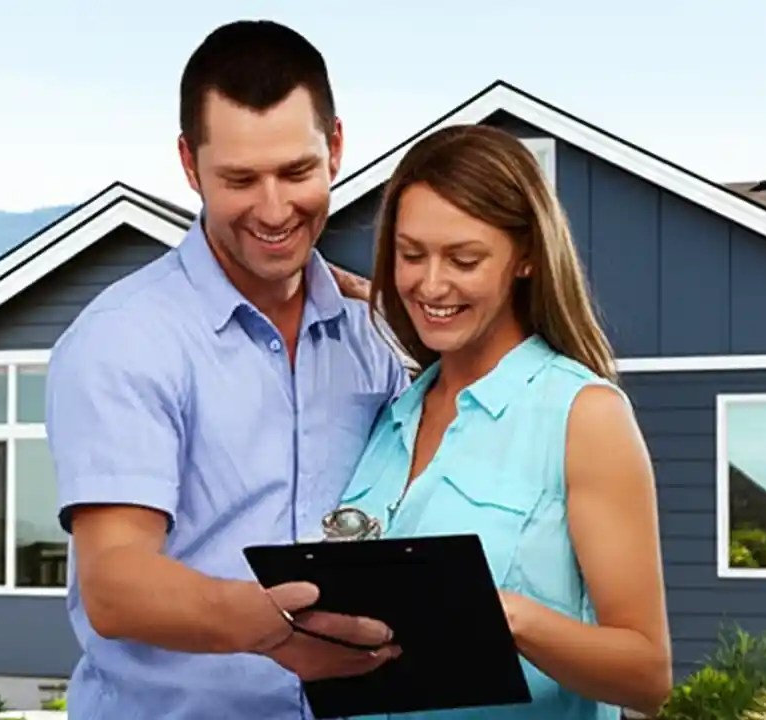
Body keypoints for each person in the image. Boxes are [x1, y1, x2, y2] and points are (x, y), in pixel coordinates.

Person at [44, 19, 408, 720]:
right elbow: (116, 583)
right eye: (240, 179)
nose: (274, 210)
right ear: (189, 164)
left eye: (297, 173)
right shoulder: (125, 340)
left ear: (335, 147)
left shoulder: (376, 338)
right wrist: (274, 628)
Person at [335, 124, 673, 719]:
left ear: (525, 259)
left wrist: (507, 617)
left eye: (463, 259)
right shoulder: (392, 416)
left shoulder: (582, 416)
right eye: (411, 255)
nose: (430, 284)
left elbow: (646, 674)